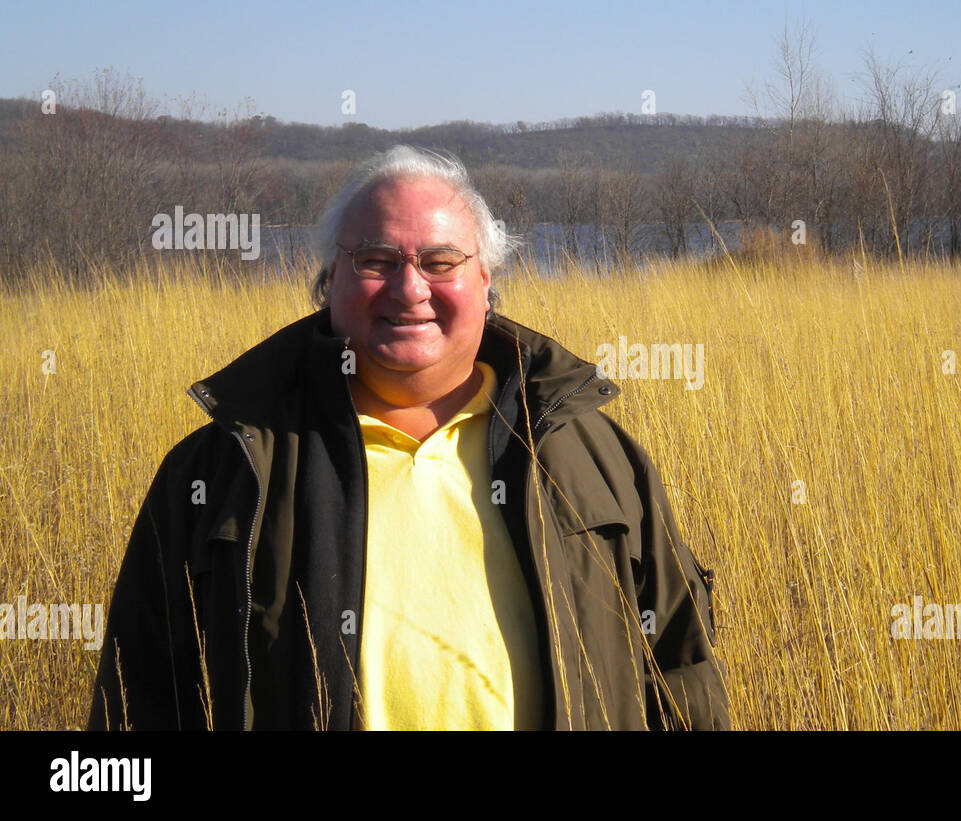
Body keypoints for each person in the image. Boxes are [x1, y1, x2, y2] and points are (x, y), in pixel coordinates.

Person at [88, 145, 729, 731]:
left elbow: (679, 668)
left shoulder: (595, 457)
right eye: (375, 260)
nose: (410, 288)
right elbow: (138, 695)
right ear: (328, 284)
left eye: (441, 261)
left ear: (486, 287)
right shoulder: (225, 470)